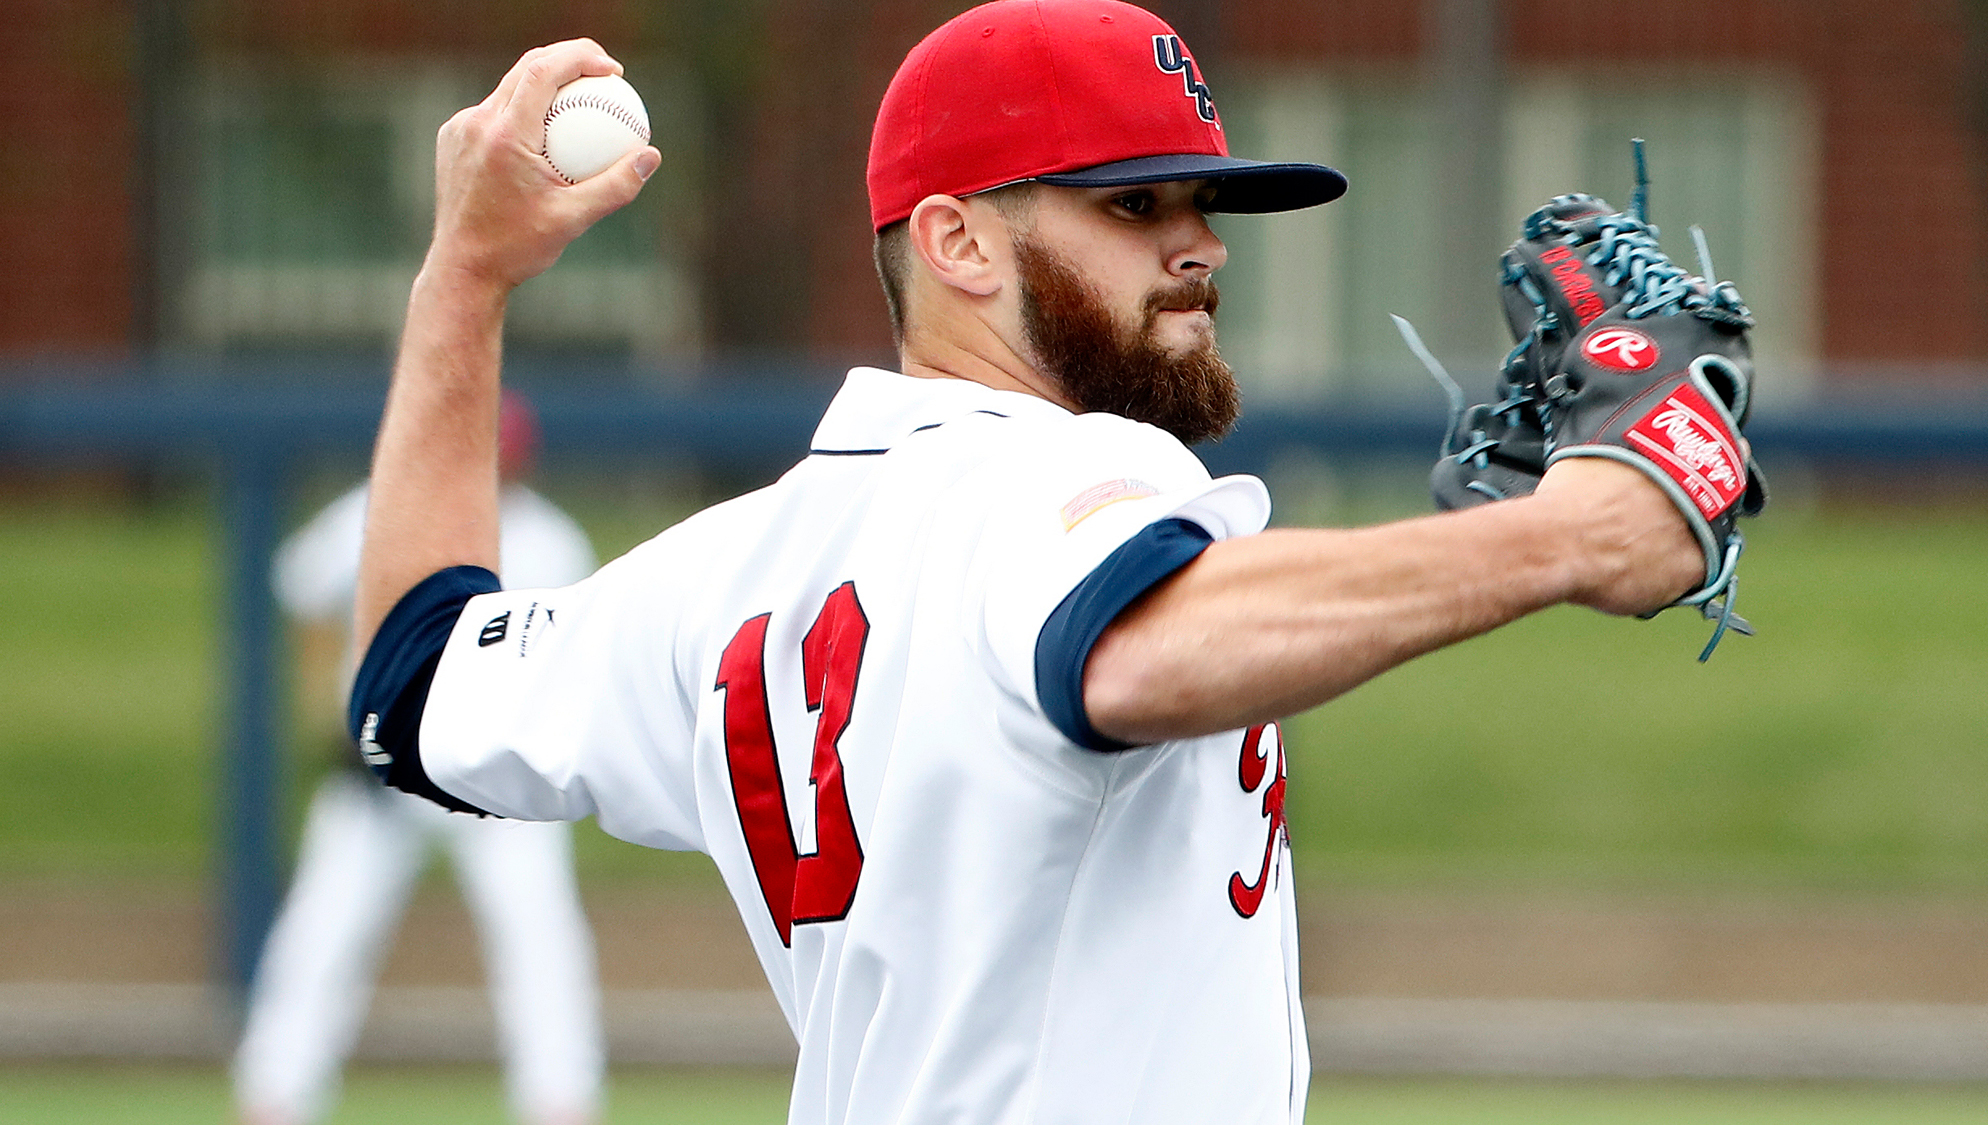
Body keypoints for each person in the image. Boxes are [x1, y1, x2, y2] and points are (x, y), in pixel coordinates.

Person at [345, 3, 1705, 1122]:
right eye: (1132, 205)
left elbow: (407, 681)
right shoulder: (1068, 479)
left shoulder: (734, 567)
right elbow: (1130, 649)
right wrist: (1580, 531)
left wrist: (462, 281)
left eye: (1205, 205)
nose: (1200, 247)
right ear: (956, 241)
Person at [233, 391, 605, 1125]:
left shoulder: (548, 540)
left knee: (539, 935)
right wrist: (325, 714)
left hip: (501, 779)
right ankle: (275, 1095)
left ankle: (561, 1102)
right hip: (383, 765)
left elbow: (576, 668)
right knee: (323, 928)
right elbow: (305, 593)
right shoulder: (384, 506)